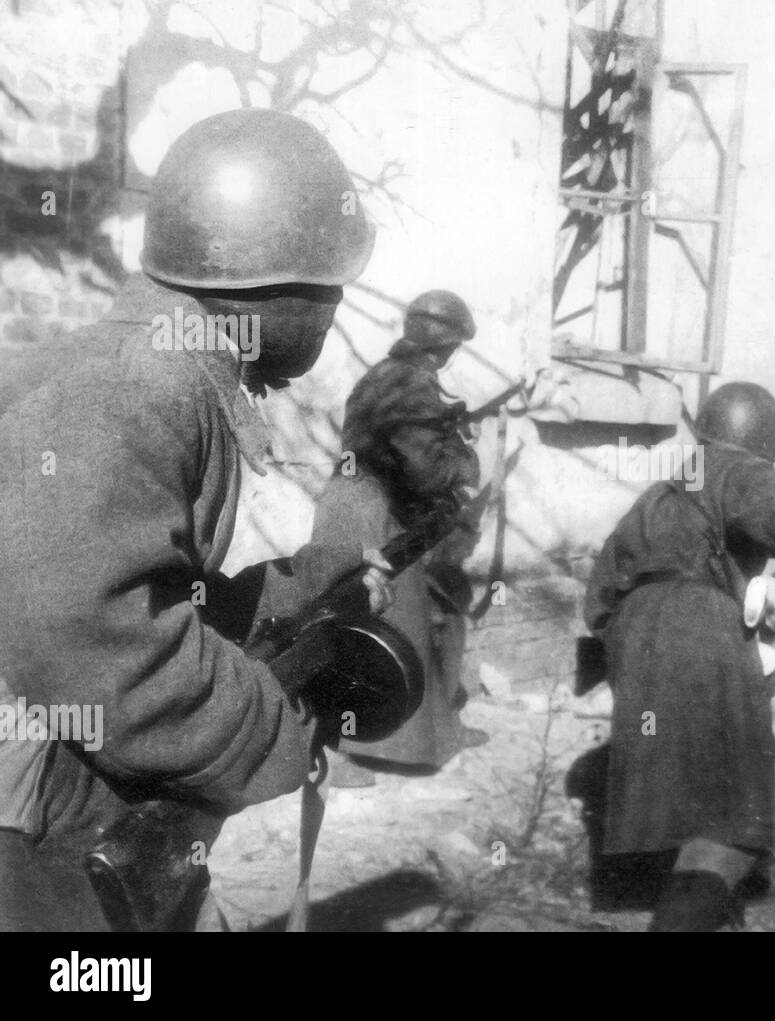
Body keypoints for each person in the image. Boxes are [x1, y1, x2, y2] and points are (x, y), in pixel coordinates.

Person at [0, 108, 390, 931]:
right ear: (265, 286)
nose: (333, 312)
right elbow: (88, 638)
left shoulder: (152, 365)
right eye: (328, 288)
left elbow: (138, 592)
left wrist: (309, 586)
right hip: (38, 810)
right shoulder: (141, 386)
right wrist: (265, 726)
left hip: (65, 783)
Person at [582, 381, 775, 931]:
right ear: (763, 442)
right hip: (698, 625)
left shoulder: (663, 492)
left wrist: (629, 645)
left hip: (633, 632)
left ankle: (707, 907)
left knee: (679, 790)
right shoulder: (741, 469)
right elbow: (763, 517)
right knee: (734, 809)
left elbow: (599, 596)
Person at [313, 316, 488, 786]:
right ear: (441, 349)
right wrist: (465, 456)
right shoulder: (411, 387)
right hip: (372, 510)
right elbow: (424, 469)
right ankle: (352, 754)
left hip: (352, 502)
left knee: (375, 625)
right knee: (383, 631)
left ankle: (419, 737)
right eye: (451, 350)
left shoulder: (382, 376)